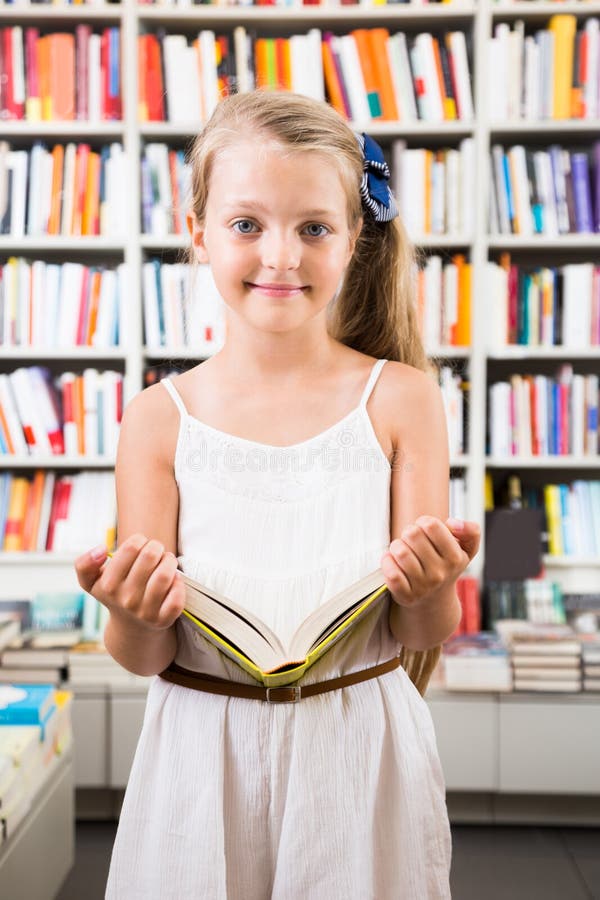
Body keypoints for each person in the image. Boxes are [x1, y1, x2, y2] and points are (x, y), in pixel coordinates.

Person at [75, 89, 480, 899]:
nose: (282, 257)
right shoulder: (159, 419)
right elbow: (142, 656)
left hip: (358, 747)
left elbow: (423, 632)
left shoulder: (401, 400)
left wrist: (435, 588)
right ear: (198, 234)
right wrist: (129, 610)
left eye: (315, 228)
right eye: (247, 224)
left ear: (355, 239)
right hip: (199, 754)